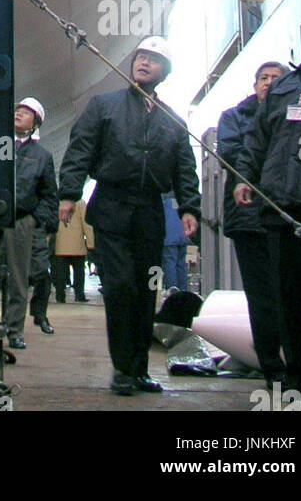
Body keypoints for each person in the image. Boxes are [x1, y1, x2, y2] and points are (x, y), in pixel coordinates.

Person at [58, 37, 199, 396]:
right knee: (120, 288)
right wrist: (69, 194)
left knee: (145, 291)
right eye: (140, 57)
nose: (144, 63)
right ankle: (122, 369)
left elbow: (185, 169)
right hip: (112, 207)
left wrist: (189, 208)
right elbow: (80, 149)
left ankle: (138, 370)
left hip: (150, 211)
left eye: (153, 60)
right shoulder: (104, 106)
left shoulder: (173, 121)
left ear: (164, 72)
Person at [233, 16, 301, 394]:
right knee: (290, 300)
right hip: (283, 207)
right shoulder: (285, 84)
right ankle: (300, 380)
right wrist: (245, 178)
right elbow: (258, 136)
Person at [216, 62, 287, 384]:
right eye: (263, 78)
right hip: (248, 217)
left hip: (288, 217)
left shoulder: (296, 116)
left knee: (291, 291)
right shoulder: (234, 117)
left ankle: (295, 360)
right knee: (260, 293)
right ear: (254, 83)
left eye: (276, 79)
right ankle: (271, 364)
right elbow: (231, 154)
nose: (269, 83)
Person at [0, 96, 58, 353]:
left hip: (21, 220)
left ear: (36, 123)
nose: (19, 113)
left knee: (18, 279)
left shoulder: (42, 156)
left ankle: (14, 330)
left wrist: (36, 220)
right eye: (18, 109)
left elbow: (49, 194)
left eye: (26, 111)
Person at [51, 199, 91, 302]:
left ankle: (60, 296)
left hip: (60, 244)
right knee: (79, 272)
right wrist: (91, 242)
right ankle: (79, 295)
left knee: (60, 273)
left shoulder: (56, 202)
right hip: (77, 243)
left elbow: (51, 222)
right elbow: (86, 222)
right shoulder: (80, 202)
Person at [161, 193, 188, 292]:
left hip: (169, 236)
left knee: (170, 264)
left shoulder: (164, 198)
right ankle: (183, 291)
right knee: (182, 265)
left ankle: (172, 292)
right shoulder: (182, 197)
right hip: (183, 235)